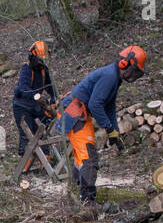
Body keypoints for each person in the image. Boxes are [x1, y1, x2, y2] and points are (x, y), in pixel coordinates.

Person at [57, 45, 147, 208]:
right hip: (74, 112)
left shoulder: (115, 78)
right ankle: (88, 200)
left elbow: (109, 106)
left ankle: (77, 190)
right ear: (125, 64)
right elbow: (95, 105)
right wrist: (108, 128)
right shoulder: (109, 76)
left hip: (78, 112)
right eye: (134, 70)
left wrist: (115, 133)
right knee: (89, 157)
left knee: (82, 155)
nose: (134, 75)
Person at [13, 40, 56, 167]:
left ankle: (45, 158)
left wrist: (54, 98)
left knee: (43, 128)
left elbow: (50, 86)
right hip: (22, 105)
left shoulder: (44, 70)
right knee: (27, 132)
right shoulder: (26, 69)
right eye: (38, 59)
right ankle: (24, 159)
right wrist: (35, 95)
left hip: (35, 104)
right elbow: (23, 87)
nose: (40, 62)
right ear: (32, 57)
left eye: (42, 59)